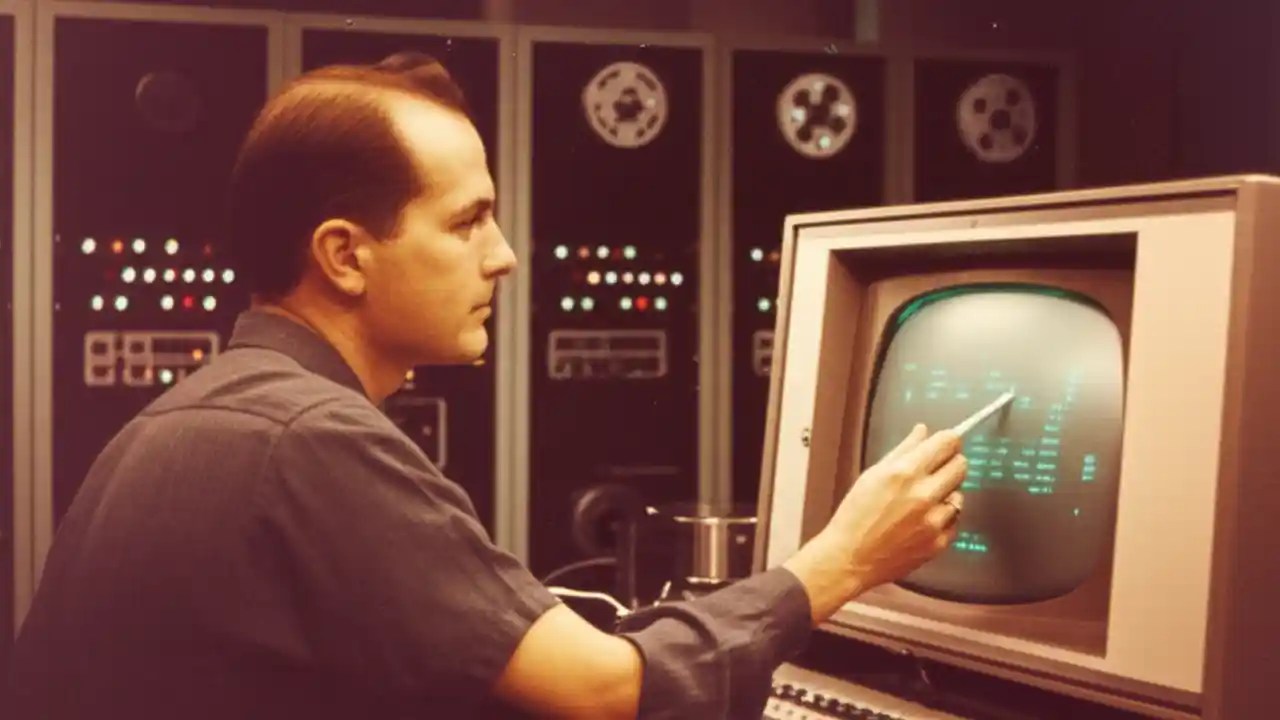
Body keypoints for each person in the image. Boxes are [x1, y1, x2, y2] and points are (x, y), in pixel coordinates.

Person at [4, 53, 966, 719]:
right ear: (344, 256)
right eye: (468, 223)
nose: (503, 258)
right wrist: (840, 559)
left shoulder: (186, 418)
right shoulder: (309, 438)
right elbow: (604, 693)